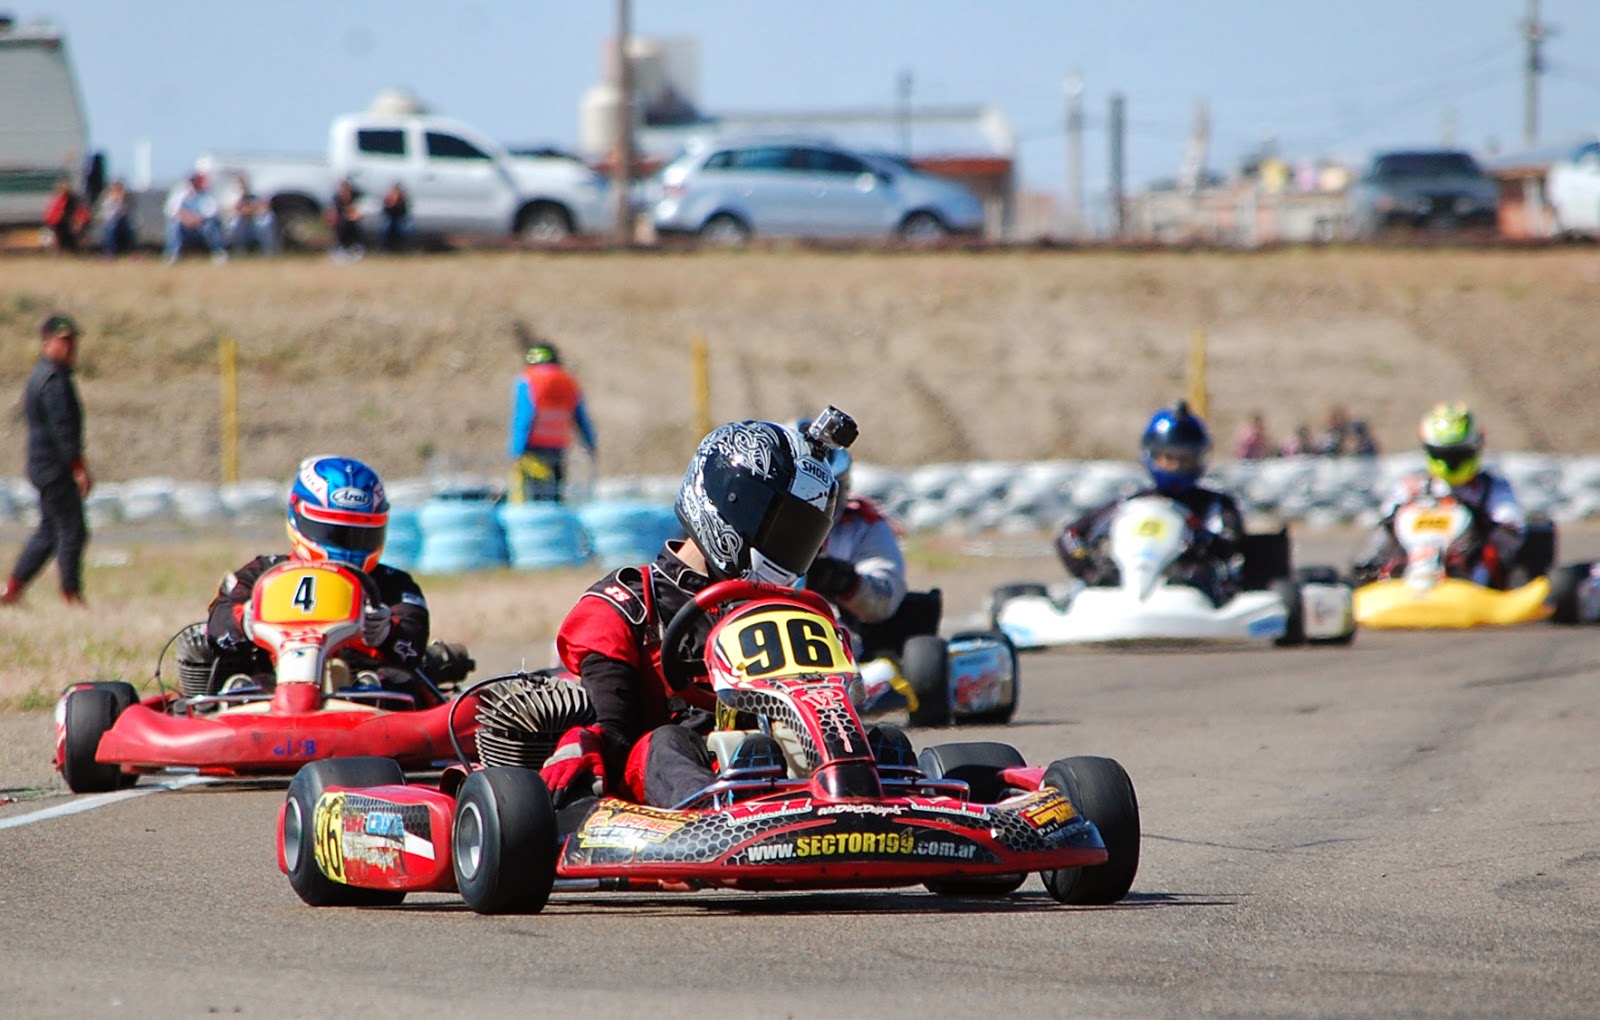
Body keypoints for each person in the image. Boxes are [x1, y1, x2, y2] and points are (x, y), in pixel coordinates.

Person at [541, 414, 861, 811]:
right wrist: (582, 744)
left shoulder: (787, 608)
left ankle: (867, 796)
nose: (790, 546)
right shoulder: (629, 603)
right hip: (665, 781)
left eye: (802, 534)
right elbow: (613, 736)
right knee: (666, 742)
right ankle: (712, 815)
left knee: (875, 738)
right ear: (730, 504)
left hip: (774, 760)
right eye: (783, 528)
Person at [181, 455, 439, 704]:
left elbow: (414, 638)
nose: (347, 549)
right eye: (334, 533)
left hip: (366, 692)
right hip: (273, 687)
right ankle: (235, 704)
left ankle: (357, 693)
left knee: (400, 682)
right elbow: (219, 620)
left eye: (360, 535)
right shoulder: (261, 574)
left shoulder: (393, 584)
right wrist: (246, 620)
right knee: (217, 662)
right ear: (299, 516)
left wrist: (386, 632)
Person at [1055, 400, 1246, 606]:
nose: (1176, 465)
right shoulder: (1131, 503)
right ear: (1152, 455)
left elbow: (1231, 543)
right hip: (1127, 582)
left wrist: (1200, 538)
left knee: (1196, 573)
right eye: (1168, 457)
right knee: (1103, 576)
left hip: (1191, 584)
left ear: (1198, 458)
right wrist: (1089, 571)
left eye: (1184, 458)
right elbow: (1071, 536)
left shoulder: (1216, 504)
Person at [1354, 403, 1524, 588]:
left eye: (1458, 454)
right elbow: (1385, 525)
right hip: (1411, 560)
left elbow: (1510, 526)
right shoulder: (1412, 486)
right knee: (1385, 535)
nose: (1451, 462)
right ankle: (1390, 578)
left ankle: (1471, 580)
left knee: (1502, 539)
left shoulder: (1492, 486)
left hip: (1472, 565)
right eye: (1444, 454)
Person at [3, 316, 92, 606]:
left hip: (44, 465)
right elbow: (63, 428)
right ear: (46, 342)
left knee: (49, 531)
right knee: (71, 530)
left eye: (72, 341)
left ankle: (13, 587)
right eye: (63, 341)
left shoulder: (43, 375)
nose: (70, 347)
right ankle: (71, 595)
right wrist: (77, 467)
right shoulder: (53, 380)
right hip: (55, 467)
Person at [507, 334, 597, 502]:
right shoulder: (568, 382)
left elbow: (524, 417)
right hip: (557, 447)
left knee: (533, 497)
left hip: (533, 449)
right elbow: (581, 417)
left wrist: (516, 450)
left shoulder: (528, 380)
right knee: (555, 496)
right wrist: (590, 444)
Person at [163, 171, 227, 264]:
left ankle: (219, 253)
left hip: (201, 228)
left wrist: (195, 219)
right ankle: (174, 254)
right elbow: (172, 211)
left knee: (210, 226)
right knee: (175, 226)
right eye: (192, 182)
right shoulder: (179, 195)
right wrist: (186, 219)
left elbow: (210, 213)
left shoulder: (207, 195)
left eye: (196, 181)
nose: (193, 184)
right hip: (185, 228)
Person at [226, 174, 277, 255]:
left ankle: (268, 251)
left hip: (253, 225)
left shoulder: (254, 196)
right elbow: (231, 212)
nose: (243, 185)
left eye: (244, 183)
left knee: (267, 219)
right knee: (235, 222)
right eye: (240, 183)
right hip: (240, 227)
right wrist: (247, 210)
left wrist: (249, 209)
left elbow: (263, 208)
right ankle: (238, 251)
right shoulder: (232, 197)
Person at [42, 178, 89, 253]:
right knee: (54, 232)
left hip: (73, 224)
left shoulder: (75, 200)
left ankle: (80, 251)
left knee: (77, 232)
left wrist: (78, 223)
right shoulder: (56, 200)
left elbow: (83, 213)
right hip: (59, 225)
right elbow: (50, 216)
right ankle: (60, 250)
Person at [97, 179, 136, 257]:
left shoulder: (125, 198)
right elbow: (104, 212)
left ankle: (134, 252)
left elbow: (125, 211)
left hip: (122, 221)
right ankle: (110, 252)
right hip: (110, 221)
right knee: (111, 229)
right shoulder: (107, 199)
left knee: (130, 230)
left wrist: (121, 200)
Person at [328, 177, 364, 261]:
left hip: (354, 221)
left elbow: (357, 212)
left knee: (352, 224)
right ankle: (340, 248)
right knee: (341, 224)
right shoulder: (336, 199)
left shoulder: (356, 197)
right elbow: (332, 213)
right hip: (341, 222)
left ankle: (356, 248)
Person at [380, 181, 413, 253]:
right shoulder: (388, 201)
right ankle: (387, 248)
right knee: (387, 228)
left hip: (400, 220)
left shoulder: (402, 201)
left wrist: (396, 204)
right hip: (391, 220)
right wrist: (390, 204)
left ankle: (402, 248)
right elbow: (385, 212)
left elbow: (403, 213)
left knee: (400, 227)